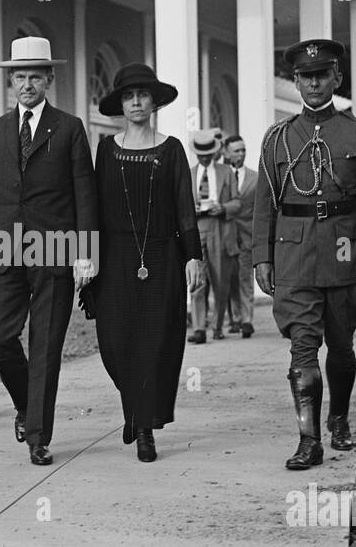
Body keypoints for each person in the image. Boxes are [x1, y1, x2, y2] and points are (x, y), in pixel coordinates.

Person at [252, 38, 356, 469]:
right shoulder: (277, 138)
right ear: (295, 82)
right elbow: (264, 204)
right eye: (306, 77)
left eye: (322, 75)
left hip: (345, 254)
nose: (314, 84)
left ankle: (341, 418)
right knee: (302, 350)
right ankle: (308, 441)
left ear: (336, 78)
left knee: (342, 349)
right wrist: (261, 256)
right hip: (293, 257)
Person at [0, 37, 98, 466]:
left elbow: (85, 194)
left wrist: (85, 252)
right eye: (20, 77)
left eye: (35, 77)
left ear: (49, 80)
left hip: (55, 248)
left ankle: (38, 436)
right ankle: (27, 404)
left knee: (45, 346)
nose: (27, 84)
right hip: (4, 247)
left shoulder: (69, 127)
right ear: (11, 81)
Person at [87, 64, 204, 462]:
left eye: (143, 94)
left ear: (154, 101)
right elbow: (92, 209)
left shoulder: (170, 149)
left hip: (162, 258)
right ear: (120, 104)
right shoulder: (106, 149)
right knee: (116, 344)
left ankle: (144, 427)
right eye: (129, 95)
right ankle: (133, 406)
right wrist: (86, 256)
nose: (137, 101)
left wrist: (193, 257)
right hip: (115, 259)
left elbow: (185, 209)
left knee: (156, 344)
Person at [188, 129, 240, 343]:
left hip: (219, 228)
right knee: (197, 279)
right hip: (197, 229)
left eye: (209, 153)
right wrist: (194, 209)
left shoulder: (226, 171)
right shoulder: (189, 173)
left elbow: (238, 202)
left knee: (220, 281)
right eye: (201, 154)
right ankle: (199, 328)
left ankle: (217, 326)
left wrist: (223, 208)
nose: (205, 158)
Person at [222, 133, 257, 338]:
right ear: (226, 152)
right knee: (228, 277)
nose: (241, 154)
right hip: (226, 234)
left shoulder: (255, 177)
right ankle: (234, 317)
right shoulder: (220, 175)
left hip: (247, 235)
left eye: (243, 150)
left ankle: (246, 320)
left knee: (245, 277)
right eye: (236, 150)